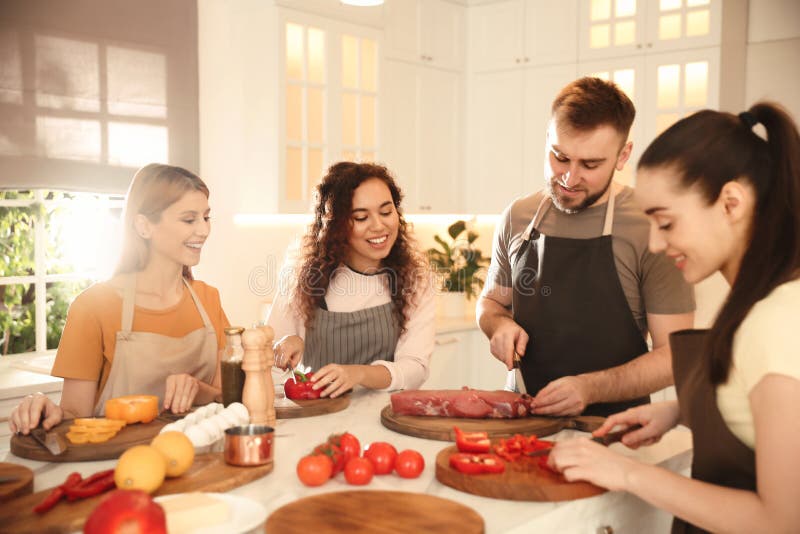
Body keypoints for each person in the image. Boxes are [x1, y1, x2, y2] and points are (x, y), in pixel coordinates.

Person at [549, 103, 800, 532]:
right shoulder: (767, 298)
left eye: (665, 223)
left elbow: (782, 521)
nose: (655, 243)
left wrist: (627, 473)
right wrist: (681, 411)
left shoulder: (775, 320)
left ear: (731, 203)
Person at [477, 77, 695, 416]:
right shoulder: (518, 217)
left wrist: (591, 388)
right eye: (560, 157)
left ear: (623, 156)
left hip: (615, 429)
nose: (569, 178)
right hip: (525, 419)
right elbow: (491, 301)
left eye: (590, 165)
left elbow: (675, 355)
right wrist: (498, 324)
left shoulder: (651, 228)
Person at [9, 164, 231, 435]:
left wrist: (198, 389)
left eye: (206, 217)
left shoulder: (208, 300)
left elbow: (227, 399)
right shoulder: (93, 307)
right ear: (144, 226)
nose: (204, 230)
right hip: (116, 458)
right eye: (189, 220)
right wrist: (44, 408)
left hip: (198, 454)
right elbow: (75, 417)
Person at [267, 161, 435, 398]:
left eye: (386, 212)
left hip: (384, 413)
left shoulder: (415, 280)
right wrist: (286, 349)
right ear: (336, 226)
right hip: (317, 413)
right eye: (361, 217)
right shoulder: (302, 277)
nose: (379, 226)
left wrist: (359, 374)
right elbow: (268, 364)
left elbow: (415, 368)